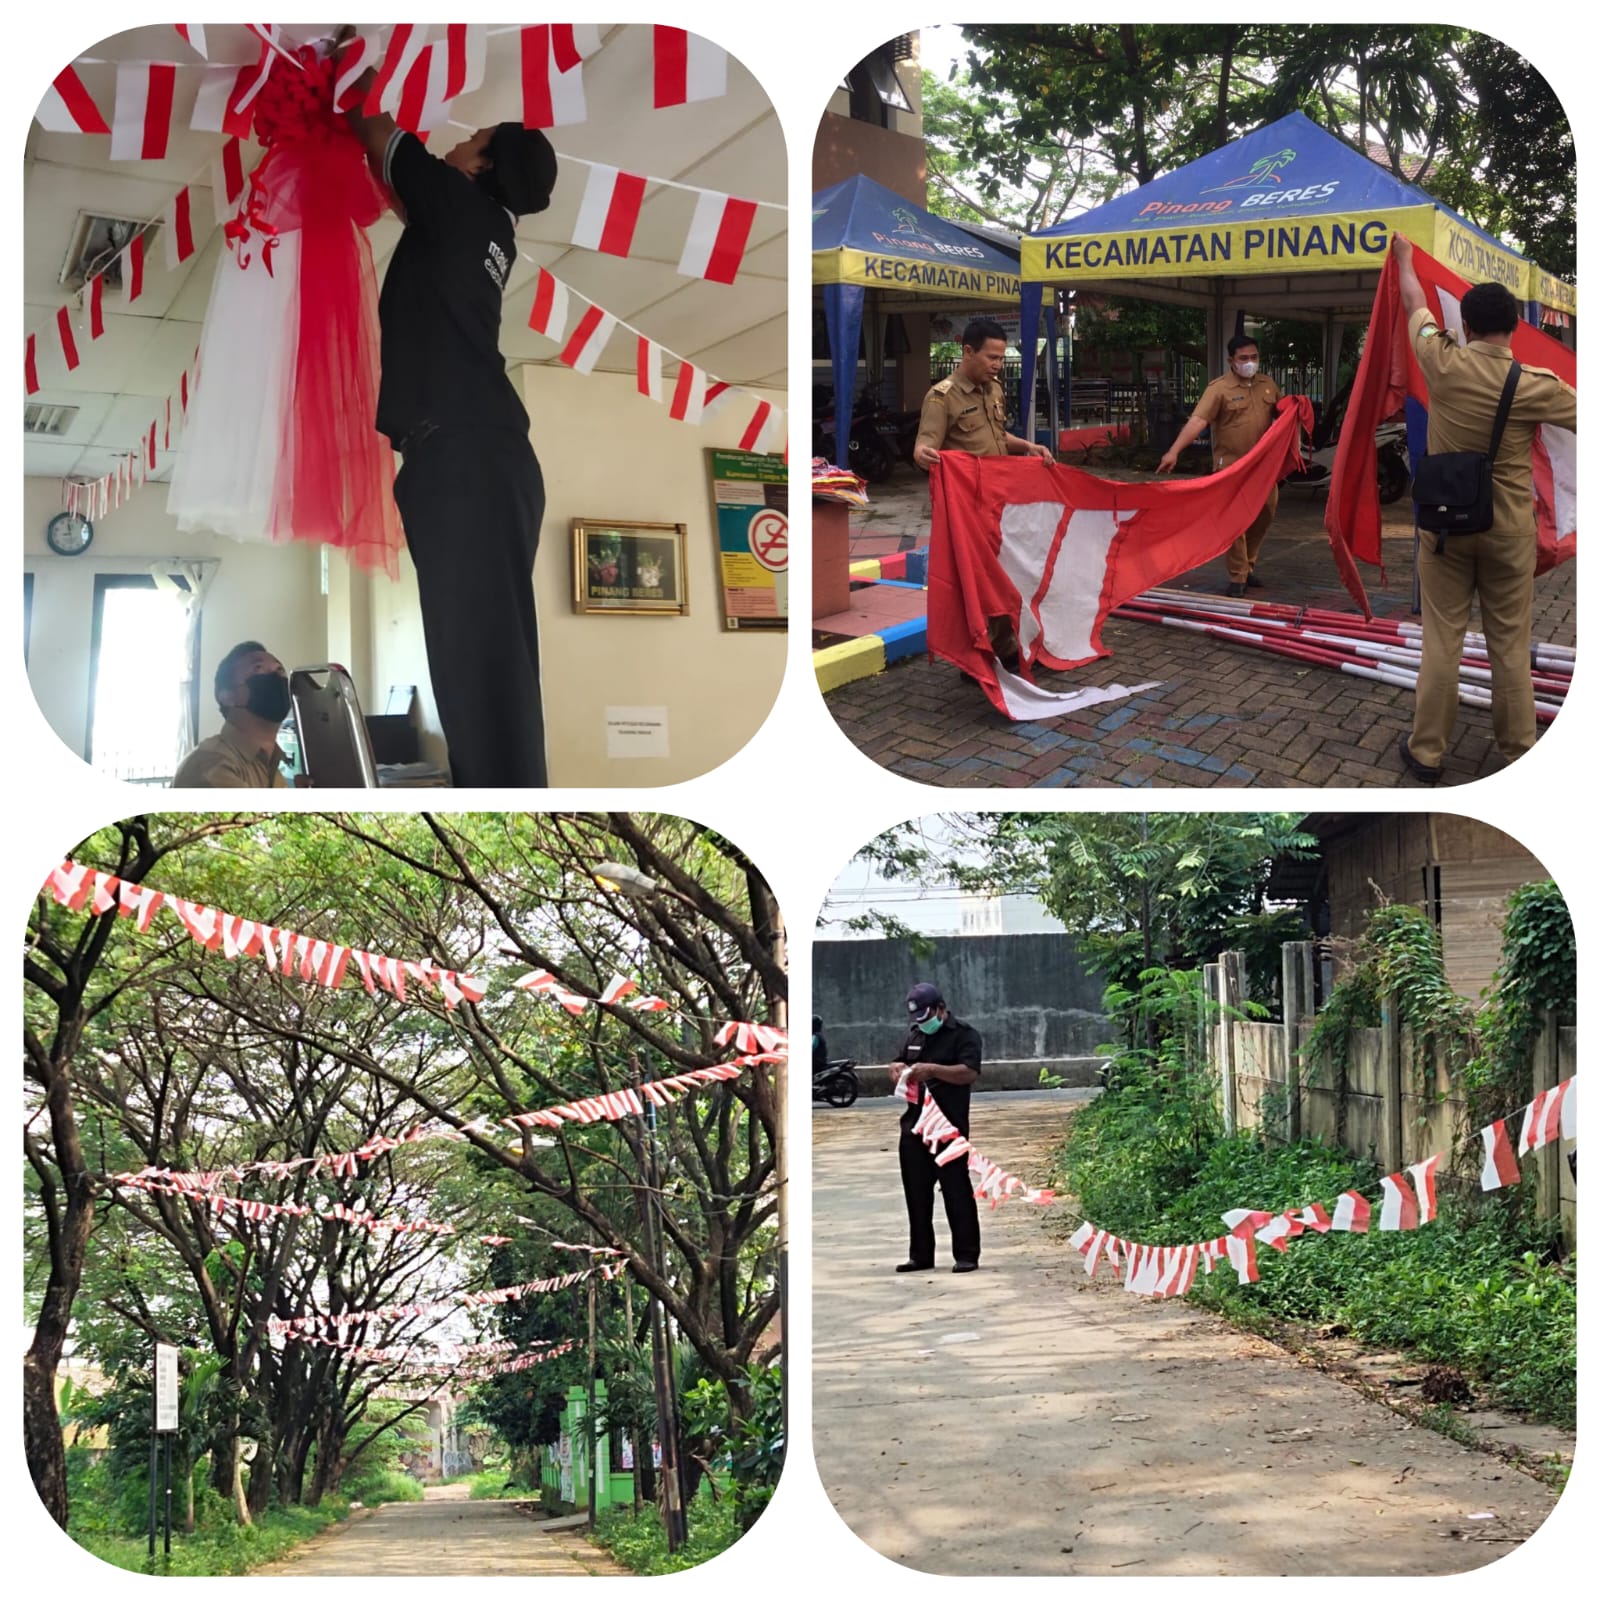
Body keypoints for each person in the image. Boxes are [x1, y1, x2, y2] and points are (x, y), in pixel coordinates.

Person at [337, 32, 558, 788]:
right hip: (474, 458)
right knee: (482, 661)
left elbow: (373, 125)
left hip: (465, 458)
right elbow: (396, 182)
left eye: (472, 138)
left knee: (478, 664)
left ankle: (508, 795)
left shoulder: (462, 210)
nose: (456, 143)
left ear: (484, 164)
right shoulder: (484, 230)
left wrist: (336, 48)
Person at [1392, 234, 1578, 782]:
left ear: (1465, 327)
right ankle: (1518, 751)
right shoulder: (1534, 384)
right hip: (1509, 531)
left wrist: (1405, 259)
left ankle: (1426, 752)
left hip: (1445, 529)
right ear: (1515, 328)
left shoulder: (1441, 360)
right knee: (1510, 645)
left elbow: (1413, 304)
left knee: (1442, 640)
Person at [914, 317, 1053, 669]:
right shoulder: (941, 397)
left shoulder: (994, 391)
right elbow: (924, 447)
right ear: (967, 351)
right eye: (992, 357)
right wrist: (922, 456)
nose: (998, 365)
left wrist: (1029, 447)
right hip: (966, 511)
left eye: (1001, 358)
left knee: (1005, 575)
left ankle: (1004, 649)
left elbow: (997, 437)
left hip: (998, 505)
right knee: (975, 585)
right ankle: (976, 659)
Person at [1157, 335, 1283, 596]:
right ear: (1231, 361)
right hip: (1232, 467)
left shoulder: (1267, 385)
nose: (1250, 363)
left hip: (1262, 468)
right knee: (1235, 522)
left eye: (1254, 357)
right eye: (1244, 358)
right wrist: (1174, 451)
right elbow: (1198, 422)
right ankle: (1238, 576)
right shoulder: (1219, 389)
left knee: (1265, 513)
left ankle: (1248, 566)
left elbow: (1283, 416)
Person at [888, 982, 983, 1274]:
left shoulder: (964, 1035)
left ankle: (966, 1254)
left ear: (941, 1008)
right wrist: (895, 1069)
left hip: (948, 1128)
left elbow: (969, 1073)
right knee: (916, 1193)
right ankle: (920, 1255)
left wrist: (933, 1070)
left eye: (928, 1017)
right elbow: (899, 1060)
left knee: (956, 1190)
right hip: (915, 1126)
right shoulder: (915, 1034)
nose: (923, 1024)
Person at [173, 642, 291, 789]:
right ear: (228, 697)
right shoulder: (211, 765)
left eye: (280, 669)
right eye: (258, 668)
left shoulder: (271, 765)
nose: (276, 674)